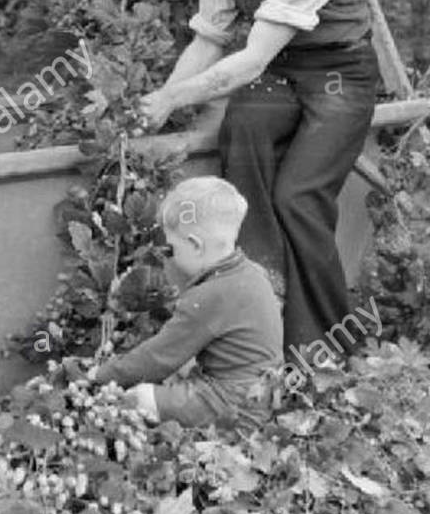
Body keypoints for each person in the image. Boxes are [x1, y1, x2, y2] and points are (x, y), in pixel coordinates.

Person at [137, 0, 379, 358]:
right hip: (281, 71)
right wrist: (159, 103)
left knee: (298, 196)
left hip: (340, 74)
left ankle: (337, 340)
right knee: (241, 137)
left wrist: (171, 98)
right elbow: (209, 41)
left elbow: (247, 61)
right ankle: (269, 305)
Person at [75, 177, 282, 428]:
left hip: (236, 406)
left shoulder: (210, 295)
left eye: (173, 248)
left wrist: (102, 375)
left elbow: (158, 358)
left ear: (195, 245)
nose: (171, 257)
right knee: (180, 372)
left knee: (140, 398)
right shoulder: (251, 274)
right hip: (264, 393)